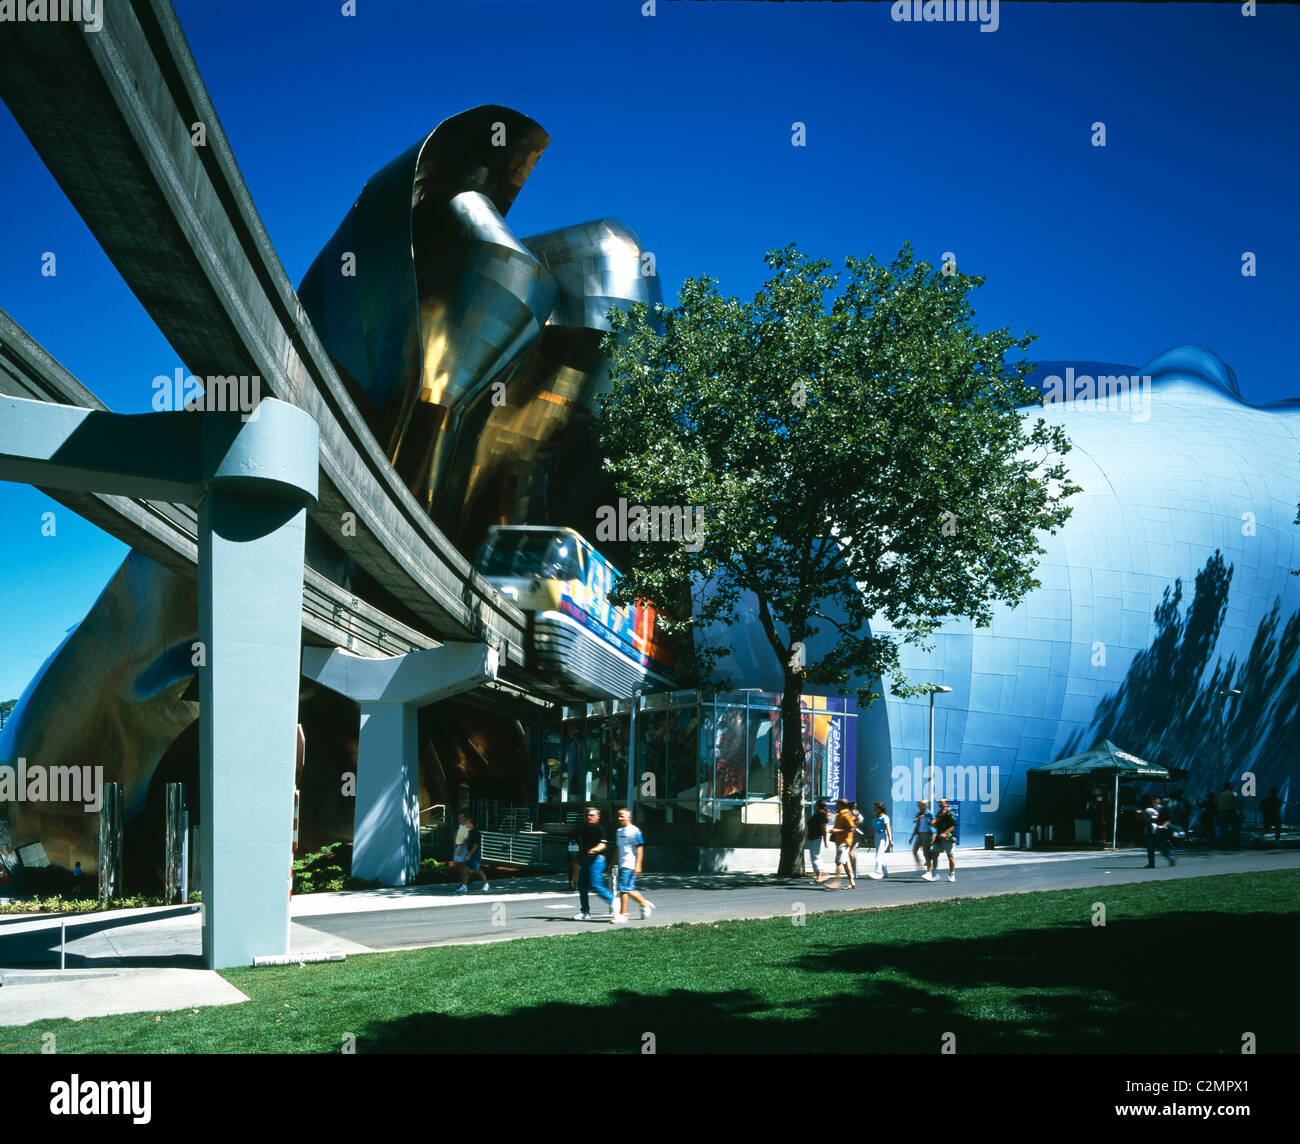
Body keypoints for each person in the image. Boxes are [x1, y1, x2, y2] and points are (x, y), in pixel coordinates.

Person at [612, 807, 655, 923]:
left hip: (630, 864)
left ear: (628, 817)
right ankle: (644, 904)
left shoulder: (635, 831)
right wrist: (611, 863)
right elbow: (618, 848)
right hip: (622, 864)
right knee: (628, 888)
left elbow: (640, 849)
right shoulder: (619, 832)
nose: (619, 818)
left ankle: (623, 915)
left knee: (623, 890)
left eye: (622, 816)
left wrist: (638, 865)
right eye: (618, 816)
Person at [573, 806, 616, 920]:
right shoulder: (583, 829)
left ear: (598, 817)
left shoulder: (600, 829)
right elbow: (581, 848)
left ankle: (615, 902)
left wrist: (595, 849)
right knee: (582, 887)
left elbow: (603, 844)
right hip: (585, 860)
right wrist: (575, 872)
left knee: (595, 885)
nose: (589, 817)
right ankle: (585, 913)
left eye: (592, 815)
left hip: (597, 859)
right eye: (587, 815)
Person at [922, 798, 957, 882]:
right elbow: (936, 824)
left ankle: (952, 874)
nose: (940, 804)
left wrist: (945, 833)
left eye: (942, 803)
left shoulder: (950, 813)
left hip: (948, 838)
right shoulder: (939, 813)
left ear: (946, 804)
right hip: (939, 838)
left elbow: (953, 826)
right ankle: (934, 874)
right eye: (939, 803)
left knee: (950, 856)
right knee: (934, 855)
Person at [456, 812, 491, 893]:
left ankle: (486, 884)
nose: (466, 824)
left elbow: (475, 845)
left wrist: (469, 854)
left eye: (468, 822)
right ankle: (464, 887)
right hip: (469, 852)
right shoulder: (470, 832)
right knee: (465, 869)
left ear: (472, 824)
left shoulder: (476, 833)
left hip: (475, 853)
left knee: (478, 870)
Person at [826, 799, 857, 889]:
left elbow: (852, 828)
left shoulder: (847, 815)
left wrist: (837, 830)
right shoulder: (840, 814)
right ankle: (852, 882)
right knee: (846, 862)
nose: (835, 805)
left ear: (841, 805)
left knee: (838, 861)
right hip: (840, 841)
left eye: (837, 804)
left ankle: (836, 882)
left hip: (844, 841)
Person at [1143, 796, 1175, 868]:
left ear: (1159, 800)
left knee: (1161, 846)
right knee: (1150, 848)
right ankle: (1151, 864)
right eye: (1153, 799)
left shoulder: (1164, 809)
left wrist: (1163, 826)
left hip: (1160, 831)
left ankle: (1171, 858)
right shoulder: (1149, 809)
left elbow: (1169, 819)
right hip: (1150, 830)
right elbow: (1146, 820)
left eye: (1156, 799)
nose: (1154, 801)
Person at [866, 801, 893, 879]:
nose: (875, 809)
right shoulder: (874, 817)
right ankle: (885, 873)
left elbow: (888, 829)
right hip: (877, 836)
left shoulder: (885, 817)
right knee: (881, 855)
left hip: (883, 836)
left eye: (876, 808)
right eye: (875, 808)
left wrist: (890, 840)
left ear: (881, 809)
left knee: (878, 855)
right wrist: (867, 836)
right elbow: (872, 828)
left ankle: (878, 872)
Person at [807, 799, 829, 884]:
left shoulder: (822, 814)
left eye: (815, 804)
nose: (814, 806)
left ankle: (819, 876)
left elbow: (824, 829)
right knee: (816, 856)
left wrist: (825, 840)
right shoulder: (818, 814)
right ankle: (820, 875)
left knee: (815, 856)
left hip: (816, 837)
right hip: (813, 837)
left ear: (818, 805)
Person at [1216, 781, 1241, 847]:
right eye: (1231, 786)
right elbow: (1237, 803)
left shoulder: (1220, 794)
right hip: (1231, 812)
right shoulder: (1233, 793)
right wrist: (1241, 812)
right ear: (1229, 787)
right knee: (1236, 826)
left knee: (1223, 828)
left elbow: (1216, 803)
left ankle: (1223, 842)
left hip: (1222, 812)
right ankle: (1235, 841)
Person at [909, 801, 933, 865]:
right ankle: (919, 866)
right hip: (920, 834)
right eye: (919, 805)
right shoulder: (919, 814)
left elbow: (934, 825)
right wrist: (912, 837)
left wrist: (934, 836)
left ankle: (929, 865)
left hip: (927, 834)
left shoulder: (929, 814)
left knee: (926, 852)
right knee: (914, 851)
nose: (919, 807)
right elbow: (916, 825)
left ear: (926, 805)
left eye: (921, 805)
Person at [848, 801, 865, 880]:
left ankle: (854, 872)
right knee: (847, 855)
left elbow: (860, 822)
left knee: (851, 854)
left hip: (855, 835)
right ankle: (851, 870)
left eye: (855, 806)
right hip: (847, 835)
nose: (853, 808)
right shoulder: (847, 814)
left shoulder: (858, 814)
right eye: (852, 807)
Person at [451, 810, 470, 881]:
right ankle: (464, 882)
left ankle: (464, 883)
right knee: (458, 867)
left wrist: (461, 849)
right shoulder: (461, 826)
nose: (460, 819)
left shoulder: (466, 827)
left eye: (462, 818)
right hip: (459, 846)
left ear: (465, 818)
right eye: (459, 818)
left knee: (462, 867)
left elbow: (466, 839)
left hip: (463, 847)